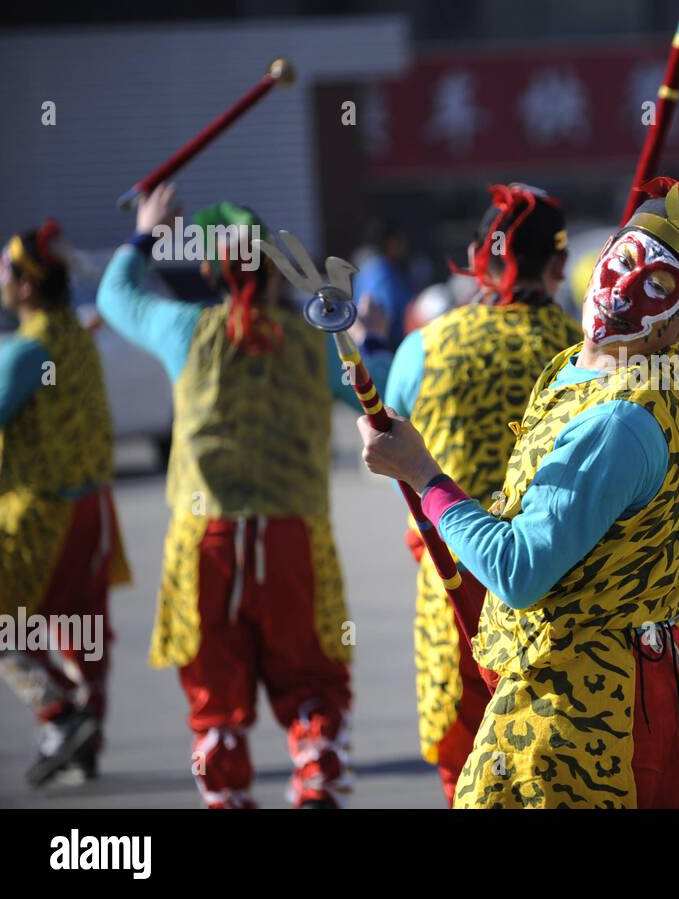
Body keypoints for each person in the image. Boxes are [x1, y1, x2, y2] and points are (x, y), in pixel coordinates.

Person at [359, 177, 679, 808]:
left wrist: (423, 475)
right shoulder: (632, 367)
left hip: (577, 720)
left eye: (657, 285)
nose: (622, 290)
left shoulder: (619, 418)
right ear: (589, 256)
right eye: (624, 260)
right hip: (628, 679)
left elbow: (520, 570)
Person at [96, 184, 386, 808]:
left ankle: (227, 794)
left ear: (212, 269)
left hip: (208, 541)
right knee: (312, 683)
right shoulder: (318, 344)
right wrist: (369, 341)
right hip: (292, 542)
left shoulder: (185, 330)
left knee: (217, 706)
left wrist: (146, 232)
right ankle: (317, 773)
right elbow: (382, 394)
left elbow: (114, 296)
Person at [384, 183, 582, 804]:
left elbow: (390, 452)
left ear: (477, 256)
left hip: (450, 578)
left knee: (468, 768)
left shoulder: (425, 347)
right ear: (559, 265)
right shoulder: (585, 353)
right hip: (557, 588)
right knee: (556, 767)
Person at [0, 219, 131, 788]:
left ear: (27, 286)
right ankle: (86, 735)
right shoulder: (75, 336)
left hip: (39, 513)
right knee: (82, 630)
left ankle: (61, 714)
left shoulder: (29, 349)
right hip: (92, 509)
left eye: (7, 271)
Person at [352, 219, 413, 352]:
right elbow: (386, 316)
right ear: (390, 243)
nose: (404, 245)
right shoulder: (381, 272)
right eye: (400, 241)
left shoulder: (375, 268)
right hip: (384, 350)